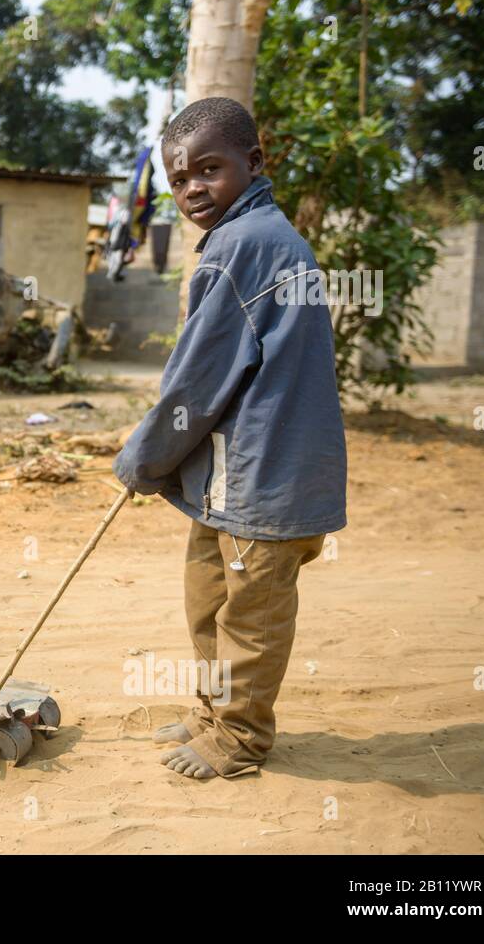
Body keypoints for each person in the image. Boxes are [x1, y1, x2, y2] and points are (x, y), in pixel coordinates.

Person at [112, 97, 347, 779]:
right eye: (179, 179)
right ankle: (213, 712)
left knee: (250, 619)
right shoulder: (254, 238)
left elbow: (196, 383)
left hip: (263, 478)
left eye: (208, 170)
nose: (192, 190)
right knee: (210, 601)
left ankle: (238, 738)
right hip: (231, 477)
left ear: (255, 161)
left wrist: (143, 460)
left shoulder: (246, 246)